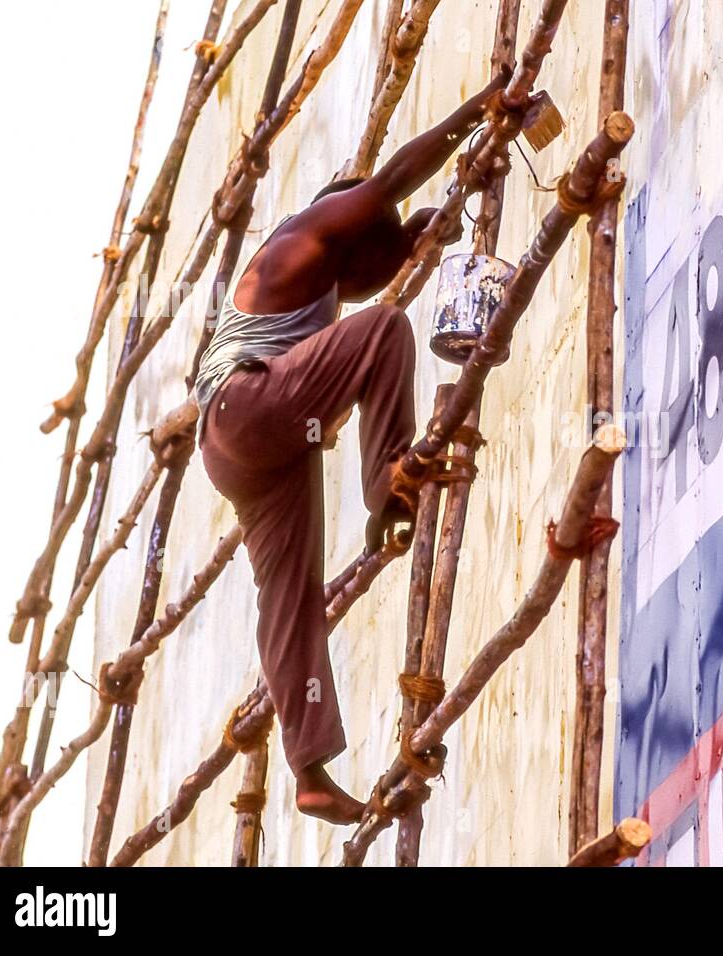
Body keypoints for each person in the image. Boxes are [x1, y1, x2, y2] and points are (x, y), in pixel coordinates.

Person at [193, 67, 510, 824]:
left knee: (291, 597)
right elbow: (400, 170)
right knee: (386, 329)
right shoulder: (308, 233)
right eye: (384, 247)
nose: (384, 270)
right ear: (353, 225)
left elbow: (374, 273)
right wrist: (477, 111)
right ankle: (384, 477)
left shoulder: (313, 286)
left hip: (237, 447)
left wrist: (425, 233)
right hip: (249, 406)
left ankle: (307, 767)